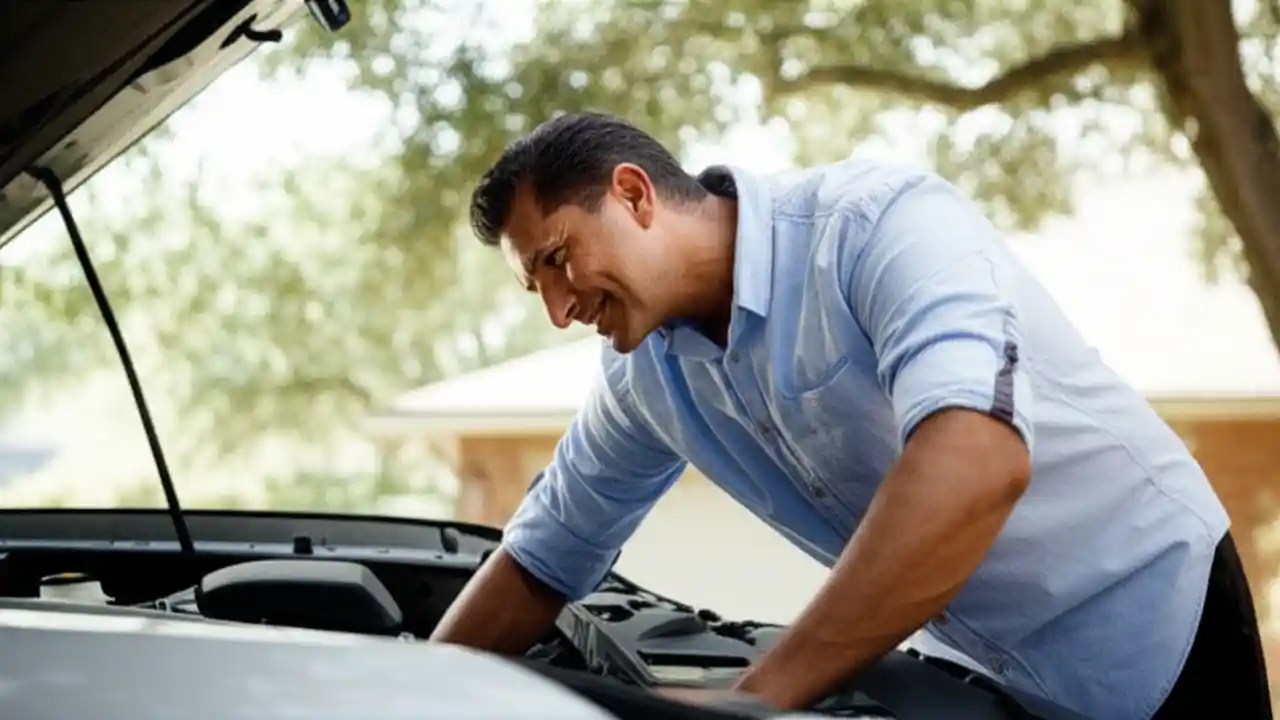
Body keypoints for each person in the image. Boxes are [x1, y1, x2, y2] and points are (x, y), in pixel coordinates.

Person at [429, 111, 1270, 719]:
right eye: (534, 284)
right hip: (978, 671)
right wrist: (401, 692)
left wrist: (758, 698)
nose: (557, 307)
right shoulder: (645, 381)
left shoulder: (875, 227)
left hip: (1152, 619)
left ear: (634, 194)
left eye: (557, 259)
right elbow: (543, 558)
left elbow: (976, 461)